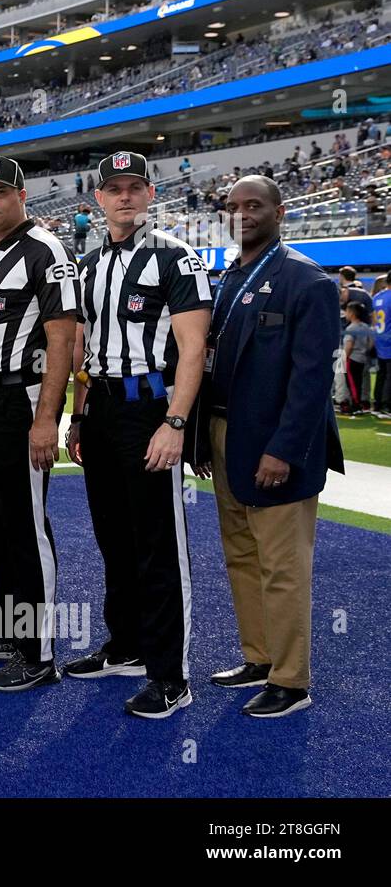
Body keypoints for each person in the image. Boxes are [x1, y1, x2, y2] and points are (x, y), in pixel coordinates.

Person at [186, 175, 344, 718]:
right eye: (233, 206)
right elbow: (212, 365)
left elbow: (310, 382)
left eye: (254, 205)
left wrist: (284, 449)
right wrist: (204, 436)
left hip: (276, 444)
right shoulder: (231, 276)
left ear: (280, 212)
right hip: (227, 434)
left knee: (282, 564)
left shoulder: (307, 280)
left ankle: (292, 680)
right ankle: (259, 657)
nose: (242, 214)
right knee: (242, 555)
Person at [63, 152, 211, 718]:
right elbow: (84, 351)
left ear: (150, 194)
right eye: (113, 189)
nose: (124, 197)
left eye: (134, 188)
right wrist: (79, 416)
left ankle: (171, 676)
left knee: (158, 546)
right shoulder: (91, 261)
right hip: (102, 408)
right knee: (114, 540)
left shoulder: (175, 255)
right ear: (98, 199)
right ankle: (124, 646)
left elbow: (194, 349)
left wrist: (175, 423)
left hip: (149, 407)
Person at [0, 155, 78, 692]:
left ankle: (39, 651)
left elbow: (62, 338)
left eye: (0, 192)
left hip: (20, 400)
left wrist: (47, 417)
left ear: (21, 196)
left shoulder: (43, 249)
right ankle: (8, 630)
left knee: (25, 528)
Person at [340, 301, 376, 414]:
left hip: (352, 359)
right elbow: (371, 343)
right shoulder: (366, 327)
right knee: (360, 382)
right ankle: (362, 402)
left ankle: (356, 404)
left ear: (351, 313)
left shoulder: (351, 328)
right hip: (363, 358)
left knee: (352, 383)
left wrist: (344, 358)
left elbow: (349, 345)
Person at [372, 275, 391, 416]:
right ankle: (386, 405)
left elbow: (373, 320)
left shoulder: (378, 296)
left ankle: (378, 404)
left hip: (380, 338)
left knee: (382, 373)